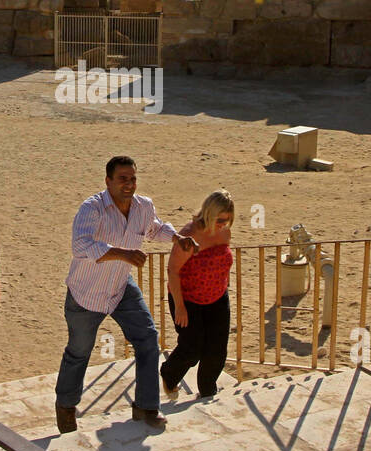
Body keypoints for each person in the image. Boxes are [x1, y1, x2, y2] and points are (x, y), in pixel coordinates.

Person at [54, 156, 198, 434]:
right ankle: (66, 408)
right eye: (122, 178)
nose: (129, 184)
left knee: (147, 339)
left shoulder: (143, 206)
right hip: (86, 293)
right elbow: (80, 245)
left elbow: (153, 227)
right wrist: (124, 253)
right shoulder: (92, 208)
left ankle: (146, 406)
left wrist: (177, 238)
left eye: (132, 178)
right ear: (108, 181)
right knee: (79, 352)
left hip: (120, 288)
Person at [160, 190, 235, 401]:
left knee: (217, 350)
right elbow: (173, 271)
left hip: (218, 298)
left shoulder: (224, 233)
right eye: (220, 220)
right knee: (192, 348)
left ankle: (207, 390)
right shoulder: (189, 235)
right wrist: (180, 307)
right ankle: (169, 374)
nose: (223, 224)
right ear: (209, 213)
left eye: (227, 220)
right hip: (188, 300)